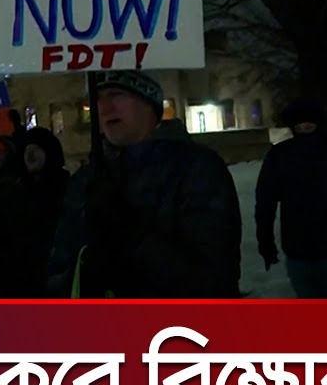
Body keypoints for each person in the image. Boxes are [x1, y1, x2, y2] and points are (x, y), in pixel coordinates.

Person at [48, 70, 242, 298]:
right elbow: (59, 265)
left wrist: (132, 235)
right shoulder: (86, 179)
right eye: (98, 99)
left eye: (117, 94)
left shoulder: (196, 169)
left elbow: (212, 281)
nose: (104, 107)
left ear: (149, 102)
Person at [255, 98, 327, 298]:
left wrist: (265, 242)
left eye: (307, 126)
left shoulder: (282, 155)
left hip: (322, 252)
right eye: (300, 127)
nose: (304, 131)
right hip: (318, 252)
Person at [0, 126, 70, 297]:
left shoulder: (69, 190)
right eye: (27, 150)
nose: (30, 155)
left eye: (36, 149)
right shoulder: (11, 193)